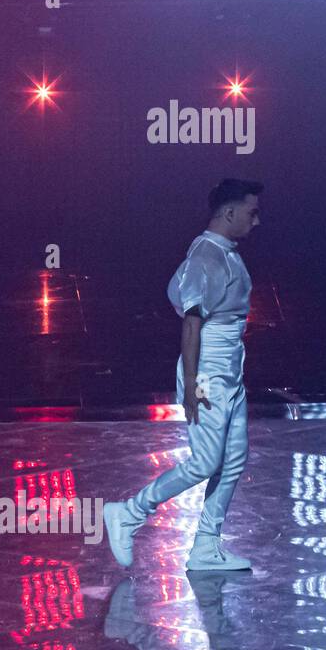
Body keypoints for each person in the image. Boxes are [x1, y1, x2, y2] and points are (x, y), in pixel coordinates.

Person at [104, 179, 262, 572]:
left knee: (233, 460)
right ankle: (129, 512)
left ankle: (206, 546)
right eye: (252, 212)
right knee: (207, 461)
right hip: (208, 373)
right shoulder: (206, 257)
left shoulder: (225, 253)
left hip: (230, 372)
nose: (257, 221)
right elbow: (191, 326)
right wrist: (192, 384)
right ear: (229, 213)